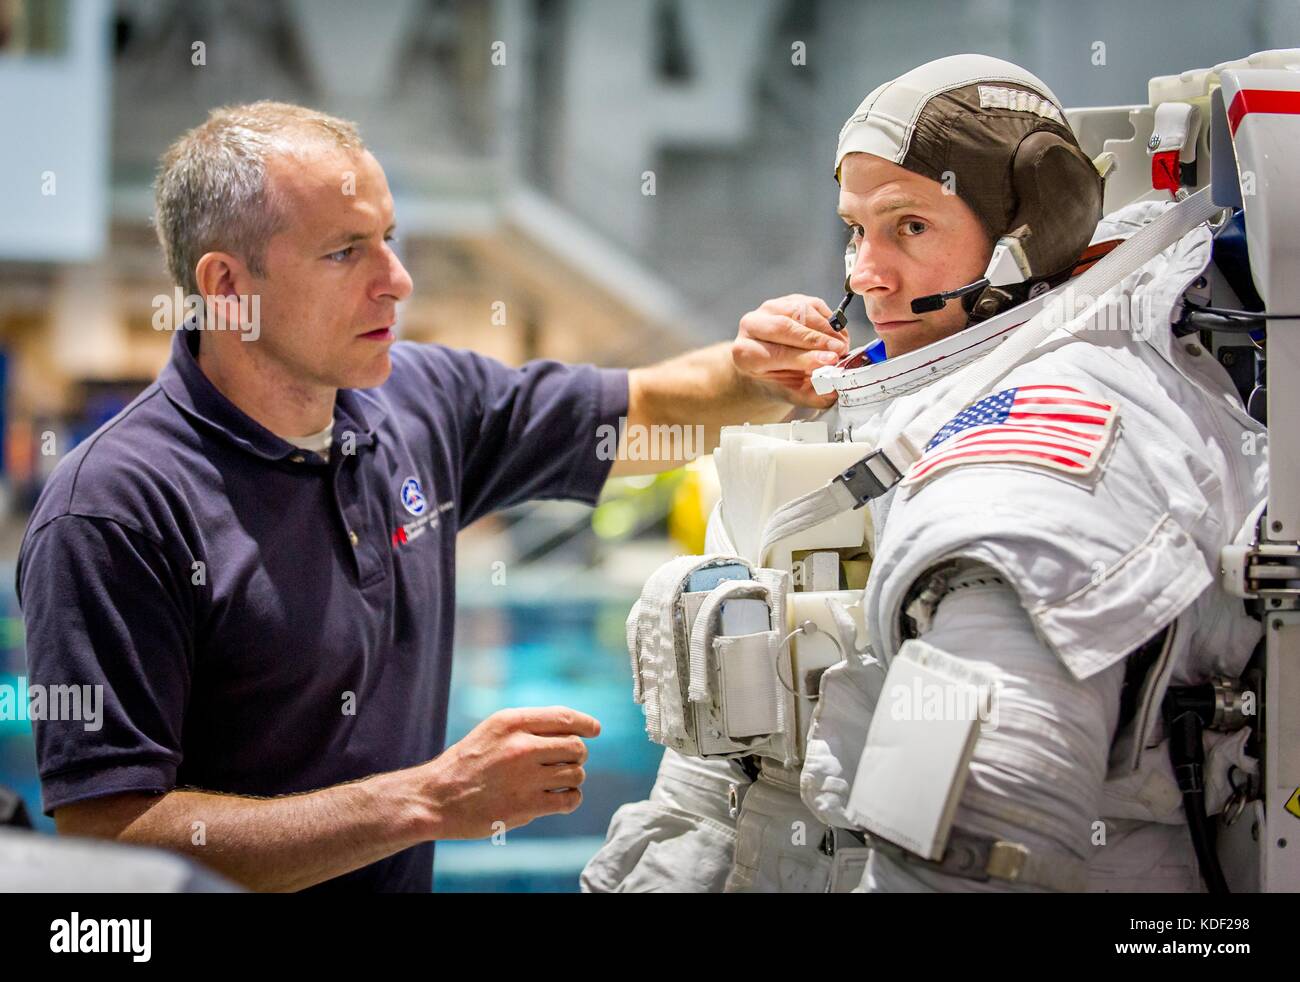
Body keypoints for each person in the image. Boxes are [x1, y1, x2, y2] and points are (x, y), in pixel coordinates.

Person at [16, 101, 816, 893]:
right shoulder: (113, 511)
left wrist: (753, 372)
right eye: (345, 252)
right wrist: (426, 800)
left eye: (388, 240)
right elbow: (111, 839)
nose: (395, 281)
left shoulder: (421, 401)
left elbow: (648, 410)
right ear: (229, 286)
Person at [583, 53, 1265, 893]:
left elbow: (972, 848)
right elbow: (721, 781)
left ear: (1033, 227)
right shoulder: (889, 417)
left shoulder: (1035, 451)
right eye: (856, 229)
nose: (863, 272)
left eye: (908, 226)